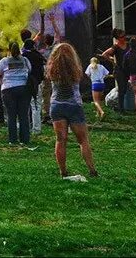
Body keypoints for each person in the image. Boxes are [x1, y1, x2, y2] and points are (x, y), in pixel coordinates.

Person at [46, 42, 98, 178]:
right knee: (83, 140)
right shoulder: (76, 68)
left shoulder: (51, 68)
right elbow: (79, 79)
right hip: (74, 105)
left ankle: (63, 171)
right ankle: (92, 170)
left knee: (60, 140)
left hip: (57, 105)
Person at [0, 42, 33, 146]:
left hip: (8, 89)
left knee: (11, 115)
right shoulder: (25, 60)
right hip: (23, 88)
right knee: (23, 115)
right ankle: (25, 139)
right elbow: (29, 70)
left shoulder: (4, 61)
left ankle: (12, 139)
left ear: (9, 49)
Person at [101, 30, 130, 114]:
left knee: (125, 88)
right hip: (119, 70)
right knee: (122, 89)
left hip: (127, 69)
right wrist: (113, 60)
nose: (124, 37)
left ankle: (123, 106)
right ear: (117, 38)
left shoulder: (128, 44)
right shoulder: (116, 47)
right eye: (122, 37)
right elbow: (104, 54)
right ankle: (121, 108)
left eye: (124, 35)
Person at [85, 56, 110, 120]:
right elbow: (107, 74)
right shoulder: (101, 66)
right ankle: (98, 113)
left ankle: (102, 112)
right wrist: (103, 78)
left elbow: (87, 74)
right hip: (102, 84)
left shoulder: (90, 66)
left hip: (95, 84)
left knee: (95, 101)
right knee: (99, 100)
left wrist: (91, 78)